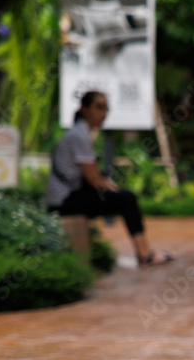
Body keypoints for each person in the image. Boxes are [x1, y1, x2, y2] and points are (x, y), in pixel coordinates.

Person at [46, 91, 172, 266]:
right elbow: (93, 180)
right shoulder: (80, 136)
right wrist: (113, 189)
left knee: (125, 198)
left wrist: (110, 187)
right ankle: (145, 255)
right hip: (64, 201)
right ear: (84, 109)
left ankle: (144, 253)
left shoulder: (81, 133)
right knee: (127, 199)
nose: (104, 112)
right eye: (99, 107)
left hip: (68, 197)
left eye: (106, 108)